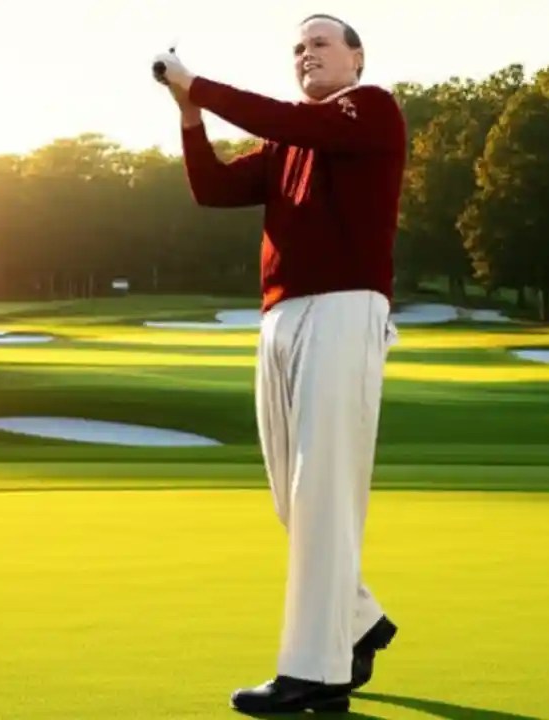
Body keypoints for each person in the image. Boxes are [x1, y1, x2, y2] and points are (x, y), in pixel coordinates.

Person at [153, 13, 406, 715]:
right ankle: (358, 621)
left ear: (356, 59)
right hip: (280, 316)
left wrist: (199, 83)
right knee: (292, 496)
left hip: (344, 307)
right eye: (298, 48)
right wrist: (190, 115)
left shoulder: (371, 108)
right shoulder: (286, 140)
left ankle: (315, 674)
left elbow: (298, 122)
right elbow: (212, 190)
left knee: (321, 490)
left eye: (322, 43)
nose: (307, 54)